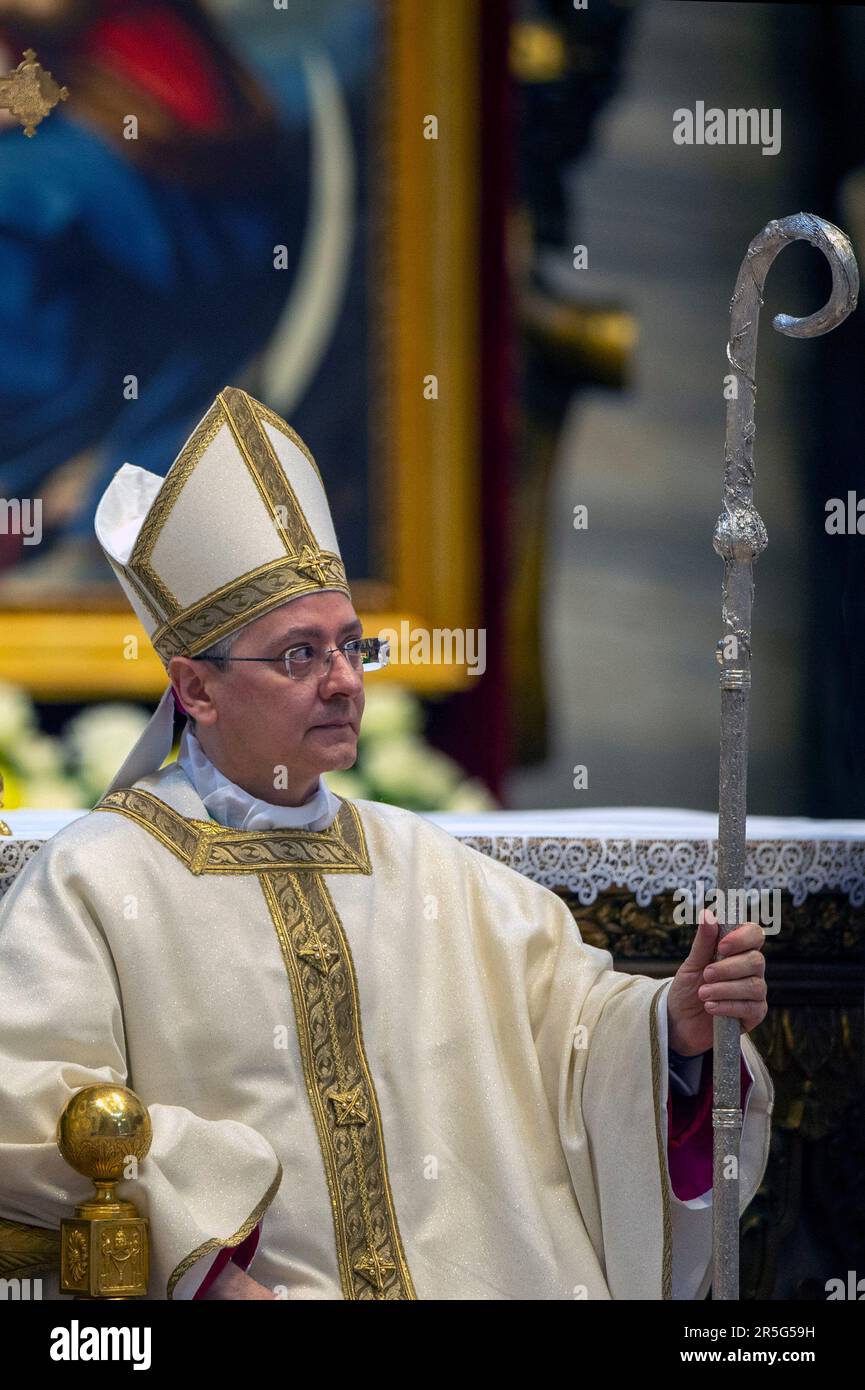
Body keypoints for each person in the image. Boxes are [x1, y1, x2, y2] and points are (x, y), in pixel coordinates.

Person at [0, 386, 772, 1300]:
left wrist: (672, 1037)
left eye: (350, 648)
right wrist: (201, 1260)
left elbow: (577, 1046)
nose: (341, 683)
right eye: (298, 655)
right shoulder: (98, 877)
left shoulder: (442, 875)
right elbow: (35, 1108)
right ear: (195, 690)